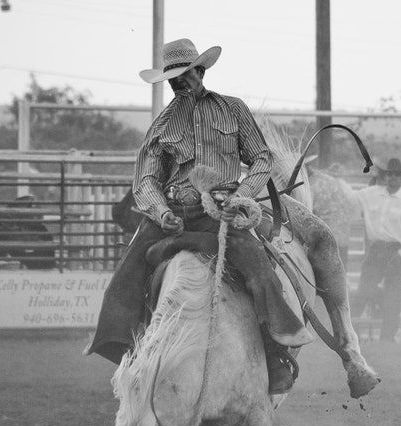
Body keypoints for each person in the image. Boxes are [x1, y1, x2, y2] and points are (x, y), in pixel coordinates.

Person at [85, 38, 314, 394]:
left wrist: (240, 196)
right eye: (173, 78)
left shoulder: (232, 109)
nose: (180, 83)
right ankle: (132, 352)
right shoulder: (161, 125)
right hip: (173, 210)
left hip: (222, 210)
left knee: (256, 265)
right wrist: (161, 212)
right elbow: (145, 179)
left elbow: (261, 158)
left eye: (185, 75)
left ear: (201, 71)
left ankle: (274, 352)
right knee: (127, 275)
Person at [351, 158, 401, 342]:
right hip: (376, 249)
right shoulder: (371, 194)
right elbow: (351, 197)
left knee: (393, 294)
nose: (393, 178)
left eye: (397, 175)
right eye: (389, 174)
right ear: (384, 176)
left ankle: (387, 339)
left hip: (397, 251)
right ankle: (352, 336)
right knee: (363, 291)